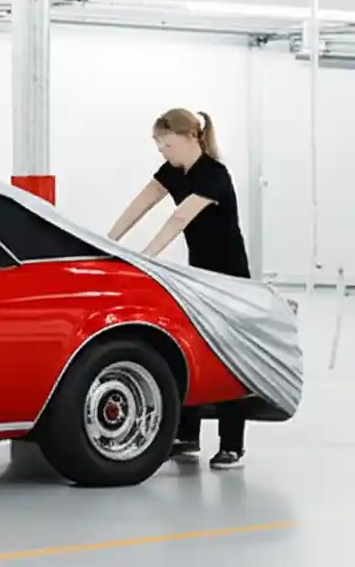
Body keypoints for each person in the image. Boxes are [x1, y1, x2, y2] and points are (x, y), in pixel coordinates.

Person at [106, 107, 251, 470]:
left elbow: (180, 216)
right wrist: (106, 241)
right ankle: (187, 436)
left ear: (189, 137)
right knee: (191, 351)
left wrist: (146, 257)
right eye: (159, 146)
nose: (163, 152)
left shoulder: (214, 175)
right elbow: (142, 202)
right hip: (197, 275)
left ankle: (232, 445)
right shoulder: (173, 171)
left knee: (228, 359)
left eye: (166, 144)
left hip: (228, 279)